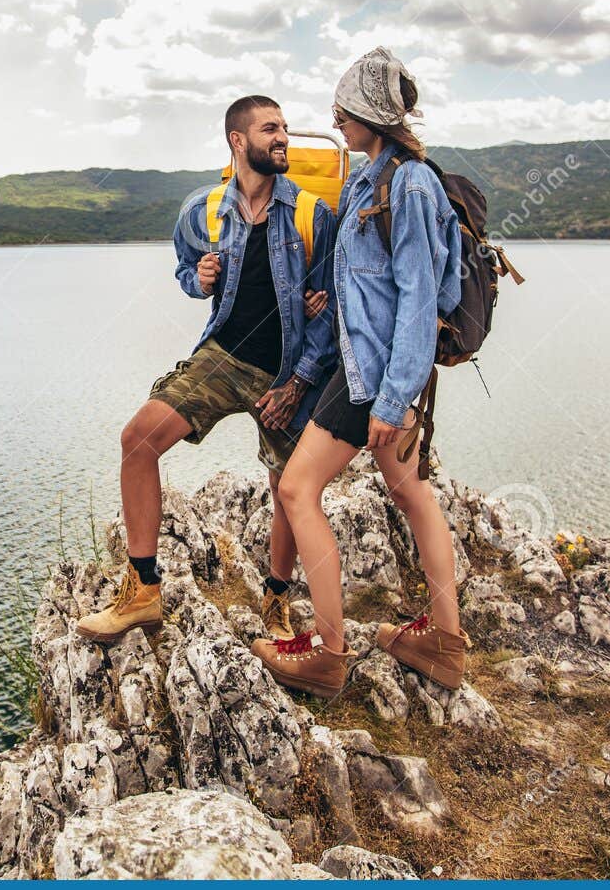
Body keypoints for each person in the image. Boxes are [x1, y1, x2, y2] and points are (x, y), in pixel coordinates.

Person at [76, 95, 337, 645]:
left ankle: (275, 599)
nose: (283, 137)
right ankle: (144, 591)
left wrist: (298, 383)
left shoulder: (315, 215)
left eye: (285, 128)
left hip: (286, 370)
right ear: (238, 141)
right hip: (221, 355)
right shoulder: (204, 209)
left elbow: (332, 311)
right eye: (270, 129)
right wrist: (202, 278)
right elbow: (185, 273)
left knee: (287, 486)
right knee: (137, 438)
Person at [250, 48, 469, 697]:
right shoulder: (364, 180)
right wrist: (327, 299)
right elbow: (366, 284)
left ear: (373, 113)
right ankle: (445, 643)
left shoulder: (412, 185)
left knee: (295, 489)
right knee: (410, 492)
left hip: (375, 379)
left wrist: (393, 398)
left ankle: (327, 651)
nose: (336, 118)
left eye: (345, 109)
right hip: (368, 365)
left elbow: (422, 299)